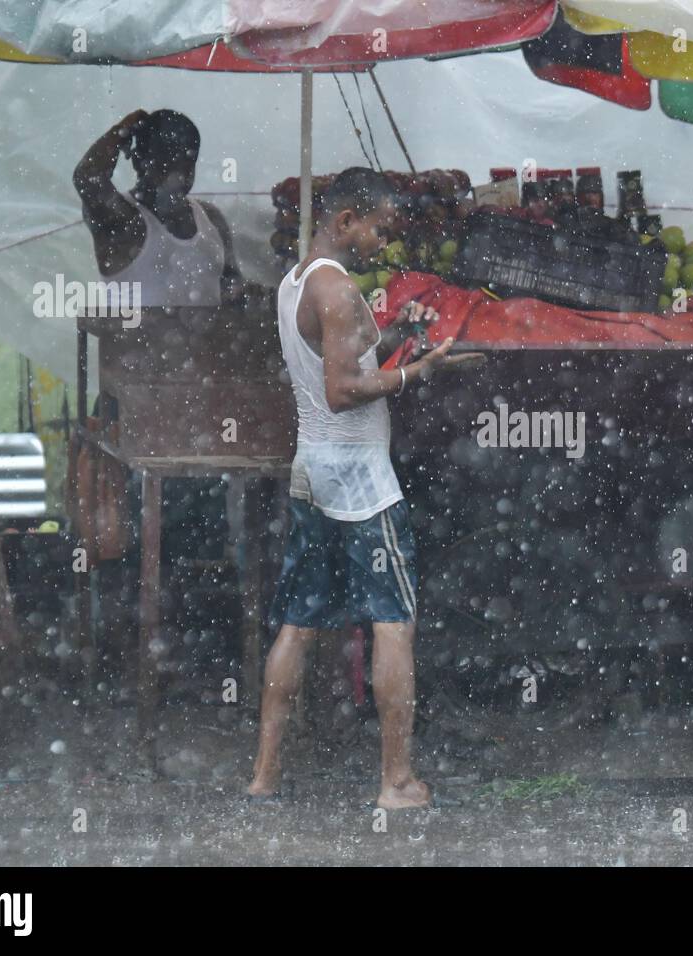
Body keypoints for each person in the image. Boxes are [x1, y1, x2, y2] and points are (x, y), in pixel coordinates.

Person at [248, 167, 484, 809]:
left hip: (312, 471)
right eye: (379, 228)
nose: (384, 242)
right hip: (361, 481)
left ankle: (265, 775)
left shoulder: (294, 282)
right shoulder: (341, 292)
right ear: (346, 220)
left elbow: (338, 370)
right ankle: (396, 781)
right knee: (393, 623)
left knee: (297, 623)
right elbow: (344, 391)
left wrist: (399, 351)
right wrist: (418, 374)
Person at [73, 108, 242, 307]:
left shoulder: (211, 218)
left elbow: (236, 291)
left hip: (210, 337)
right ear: (137, 161)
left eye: (187, 161)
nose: (178, 173)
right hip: (137, 337)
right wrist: (120, 131)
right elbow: (87, 178)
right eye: (167, 161)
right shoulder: (122, 220)